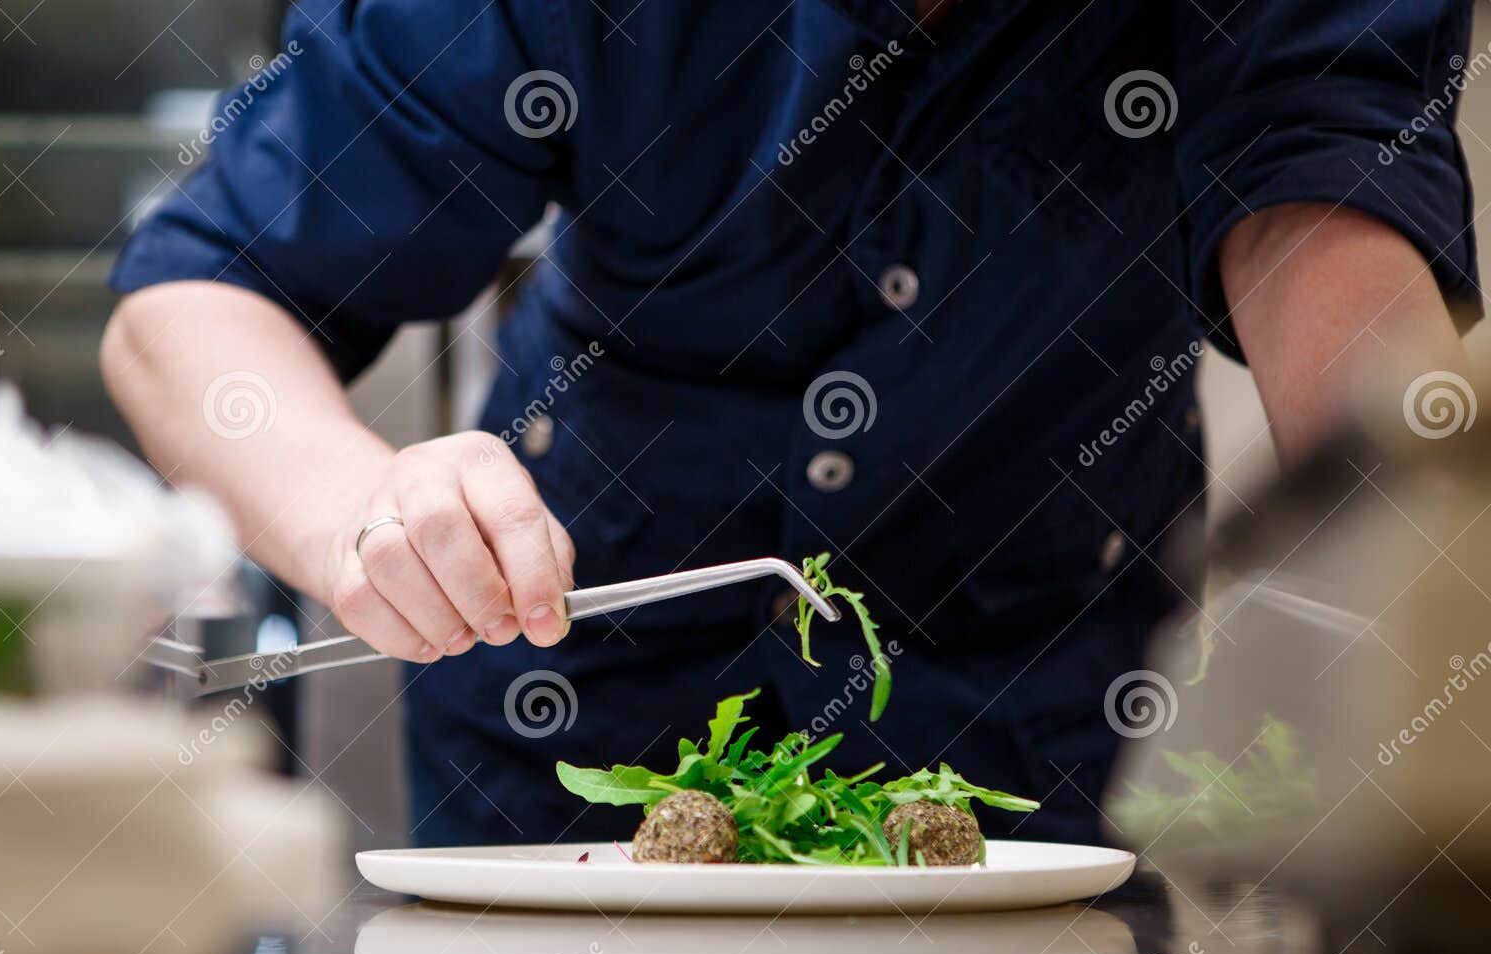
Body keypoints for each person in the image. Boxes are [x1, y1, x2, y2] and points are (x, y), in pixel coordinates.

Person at [101, 1, 1479, 847]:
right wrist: (361, 509)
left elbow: (1324, 186)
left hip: (1014, 746)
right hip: (571, 735)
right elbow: (200, 296)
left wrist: (1428, 637)